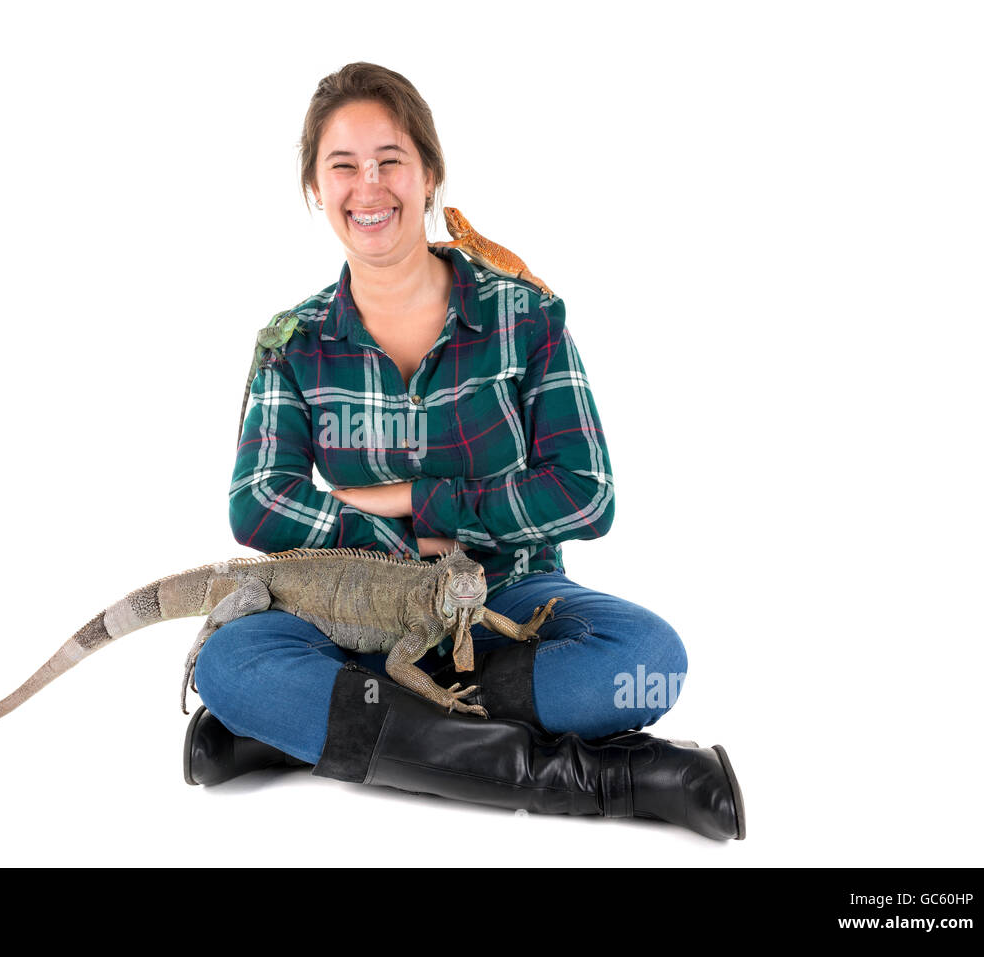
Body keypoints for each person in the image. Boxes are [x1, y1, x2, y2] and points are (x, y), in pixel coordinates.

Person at [184, 62, 744, 840]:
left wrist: (422, 501)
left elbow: (585, 493)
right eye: (341, 166)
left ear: (430, 174)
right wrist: (391, 541)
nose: (367, 186)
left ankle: (317, 728)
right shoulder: (294, 341)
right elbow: (258, 502)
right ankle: (608, 778)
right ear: (316, 188)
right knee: (230, 661)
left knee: (647, 658)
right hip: (360, 611)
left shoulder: (526, 316)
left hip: (503, 602)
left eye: (390, 161)